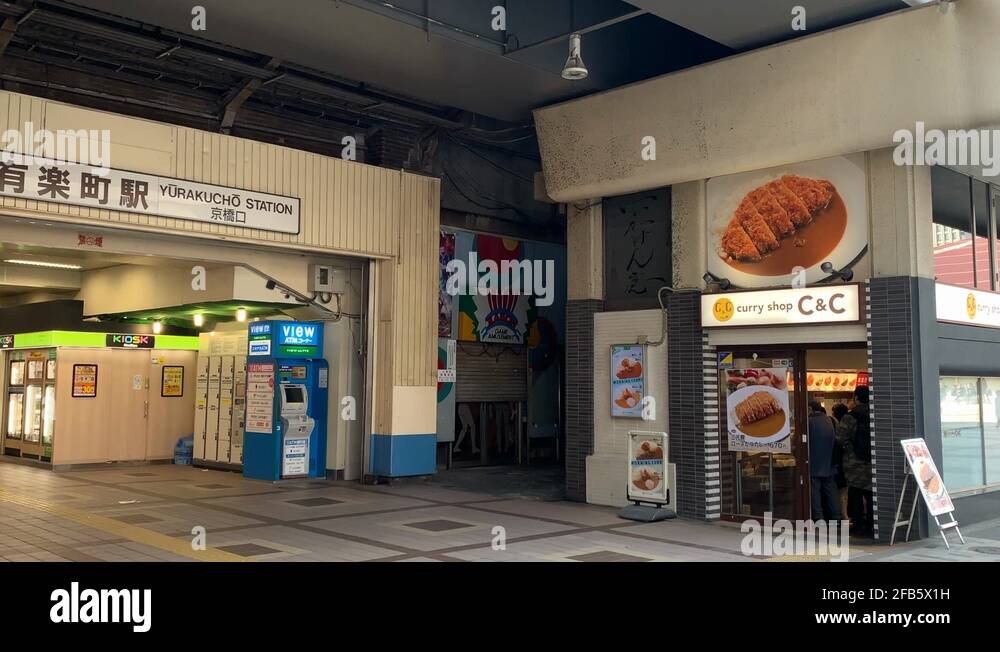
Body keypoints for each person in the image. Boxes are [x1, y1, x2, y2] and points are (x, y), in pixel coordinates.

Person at [836, 386, 873, 537]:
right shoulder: (876, 412)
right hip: (872, 463)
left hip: (854, 464)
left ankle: (858, 525)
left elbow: (840, 439)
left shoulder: (850, 417)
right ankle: (872, 524)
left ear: (856, 398)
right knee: (871, 495)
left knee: (855, 494)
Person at [808, 400, 841, 521]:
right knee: (831, 491)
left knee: (815, 492)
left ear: (810, 409)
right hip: (830, 463)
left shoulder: (809, 422)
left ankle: (819, 518)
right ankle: (837, 517)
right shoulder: (830, 420)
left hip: (814, 463)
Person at [831, 403, 849, 518]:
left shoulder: (838, 426)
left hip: (841, 462)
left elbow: (838, 443)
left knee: (841, 491)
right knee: (845, 491)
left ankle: (843, 515)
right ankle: (846, 515)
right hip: (849, 462)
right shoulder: (844, 423)